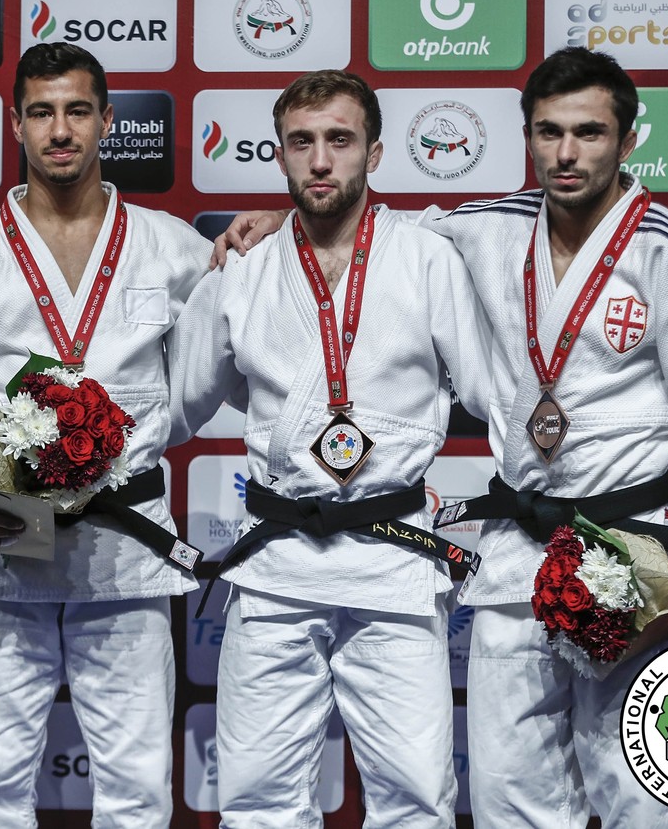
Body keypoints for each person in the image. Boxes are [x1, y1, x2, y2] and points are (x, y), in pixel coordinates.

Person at [218, 47, 668, 827]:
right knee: (510, 788)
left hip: (634, 548)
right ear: (528, 138)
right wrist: (291, 221)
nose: (568, 153)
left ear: (629, 138)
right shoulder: (489, 227)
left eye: (589, 132)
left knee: (635, 786)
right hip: (519, 551)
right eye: (549, 132)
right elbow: (372, 232)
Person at [0, 43, 212, 828]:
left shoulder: (173, 246)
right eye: (42, 112)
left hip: (125, 539)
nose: (60, 129)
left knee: (138, 775)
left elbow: (202, 384)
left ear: (108, 120)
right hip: (12, 535)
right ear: (16, 124)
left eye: (78, 110)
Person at [168, 69, 489, 828]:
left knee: (416, 796)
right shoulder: (241, 269)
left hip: (394, 562)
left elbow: (489, 396)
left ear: (374, 153)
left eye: (339, 141)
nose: (320, 161)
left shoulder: (428, 259)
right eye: (302, 142)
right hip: (279, 565)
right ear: (278, 154)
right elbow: (176, 408)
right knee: (255, 797)